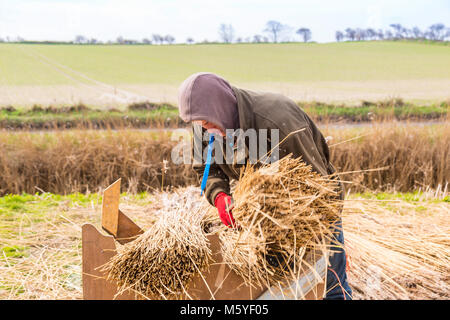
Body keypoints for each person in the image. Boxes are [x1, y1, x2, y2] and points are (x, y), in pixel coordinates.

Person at [177, 72, 352, 300]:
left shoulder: (276, 119)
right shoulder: (206, 123)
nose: (203, 127)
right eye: (198, 123)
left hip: (312, 214)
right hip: (265, 216)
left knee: (329, 287)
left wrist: (321, 238)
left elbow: (318, 187)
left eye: (206, 121)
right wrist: (219, 196)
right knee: (278, 288)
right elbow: (206, 169)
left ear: (220, 107)